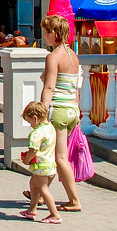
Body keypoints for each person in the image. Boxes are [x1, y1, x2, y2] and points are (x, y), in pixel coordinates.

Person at [37, 14, 83, 213]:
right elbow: (74, 87)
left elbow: (49, 88)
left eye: (46, 32)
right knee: (55, 155)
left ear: (53, 33)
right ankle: (37, 192)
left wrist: (41, 113)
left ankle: (74, 200)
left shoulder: (53, 57)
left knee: (60, 158)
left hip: (59, 109)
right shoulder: (73, 56)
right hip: (72, 108)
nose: (44, 35)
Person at [19, 101, 61, 223]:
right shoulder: (50, 128)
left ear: (36, 118)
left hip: (41, 165)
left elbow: (33, 150)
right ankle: (32, 209)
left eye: (29, 122)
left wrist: (26, 160)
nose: (30, 125)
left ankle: (54, 214)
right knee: (33, 184)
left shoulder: (36, 133)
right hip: (50, 164)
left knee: (42, 189)